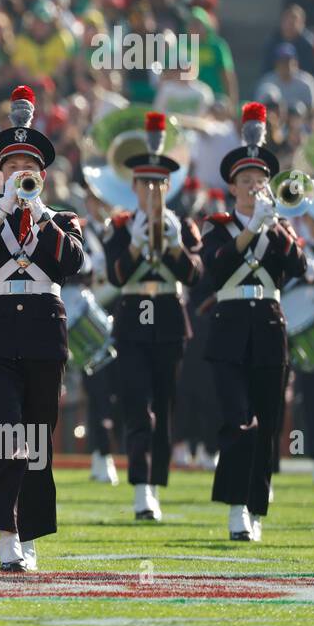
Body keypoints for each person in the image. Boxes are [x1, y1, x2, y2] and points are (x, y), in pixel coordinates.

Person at [0, 86, 85, 571]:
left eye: (27, 169)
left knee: (35, 437)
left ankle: (30, 532)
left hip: (42, 333)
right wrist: (7, 209)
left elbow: (73, 262)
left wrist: (41, 217)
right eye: (11, 169)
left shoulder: (64, 219)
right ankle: (7, 531)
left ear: (42, 175)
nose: (19, 176)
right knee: (5, 430)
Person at [204, 103, 307, 541]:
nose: (253, 189)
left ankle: (255, 507)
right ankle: (234, 507)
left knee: (266, 423)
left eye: (260, 182)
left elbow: (299, 266)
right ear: (233, 188)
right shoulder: (219, 227)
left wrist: (276, 226)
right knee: (238, 420)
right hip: (229, 329)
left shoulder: (278, 228)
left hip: (268, 327)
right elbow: (217, 267)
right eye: (246, 182)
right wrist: (251, 231)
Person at [102, 112, 204, 521]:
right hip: (132, 318)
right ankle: (141, 487)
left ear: (169, 185)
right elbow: (115, 274)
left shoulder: (184, 225)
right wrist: (134, 244)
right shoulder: (121, 226)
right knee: (136, 402)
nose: (152, 189)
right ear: (133, 186)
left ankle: (155, 483)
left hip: (166, 316)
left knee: (163, 404)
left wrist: (176, 246)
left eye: (159, 183)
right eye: (145, 183)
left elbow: (194, 274)